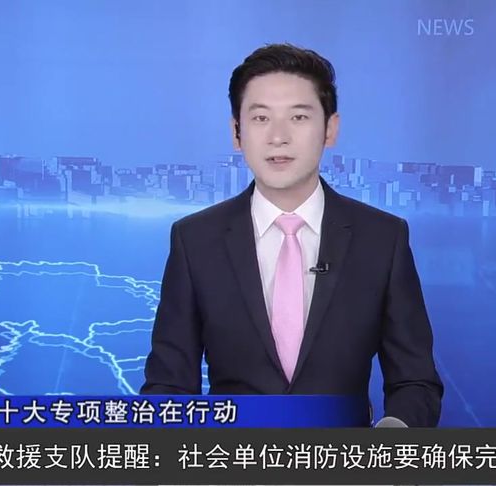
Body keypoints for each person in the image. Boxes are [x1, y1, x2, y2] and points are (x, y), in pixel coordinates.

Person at [141, 43, 443, 427]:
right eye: (260, 118)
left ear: (330, 128)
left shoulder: (382, 239)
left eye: (298, 117)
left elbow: (416, 381)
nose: (278, 137)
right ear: (237, 133)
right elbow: (168, 387)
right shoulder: (195, 240)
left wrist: (394, 431)